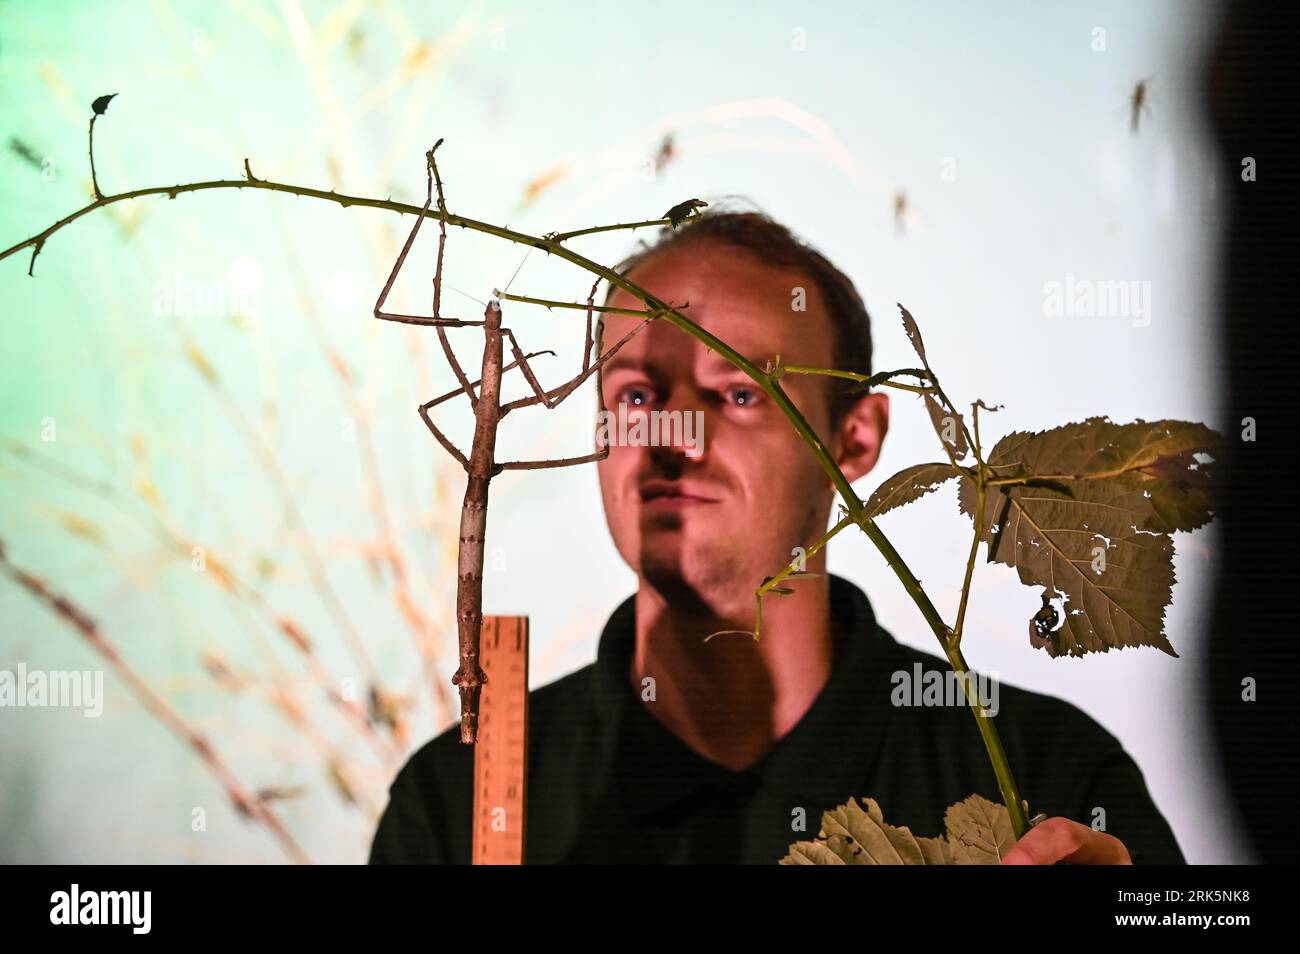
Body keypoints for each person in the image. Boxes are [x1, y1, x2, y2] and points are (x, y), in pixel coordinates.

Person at [369, 204, 1184, 865]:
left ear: (855, 438)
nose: (673, 438)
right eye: (638, 397)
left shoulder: (1044, 776)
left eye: (741, 392)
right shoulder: (462, 801)